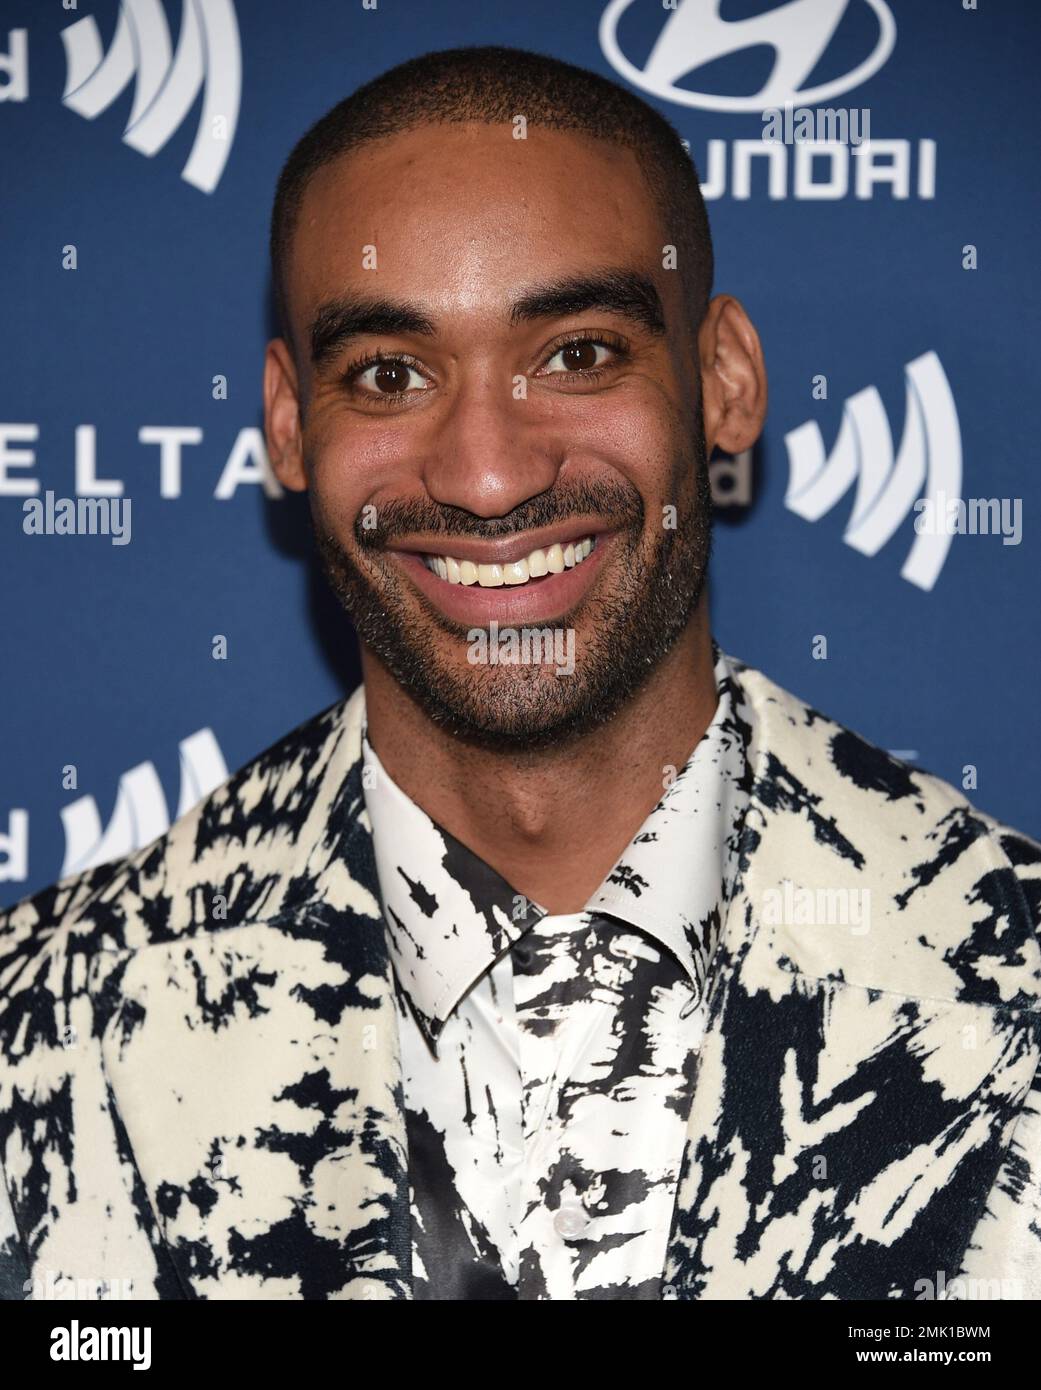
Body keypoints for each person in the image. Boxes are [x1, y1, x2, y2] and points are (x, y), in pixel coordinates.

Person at [1, 46, 1038, 1303]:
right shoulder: (46, 1023)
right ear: (287, 424)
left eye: (579, 353)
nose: (487, 476)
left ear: (723, 380)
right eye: (390, 372)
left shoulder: (1011, 971)